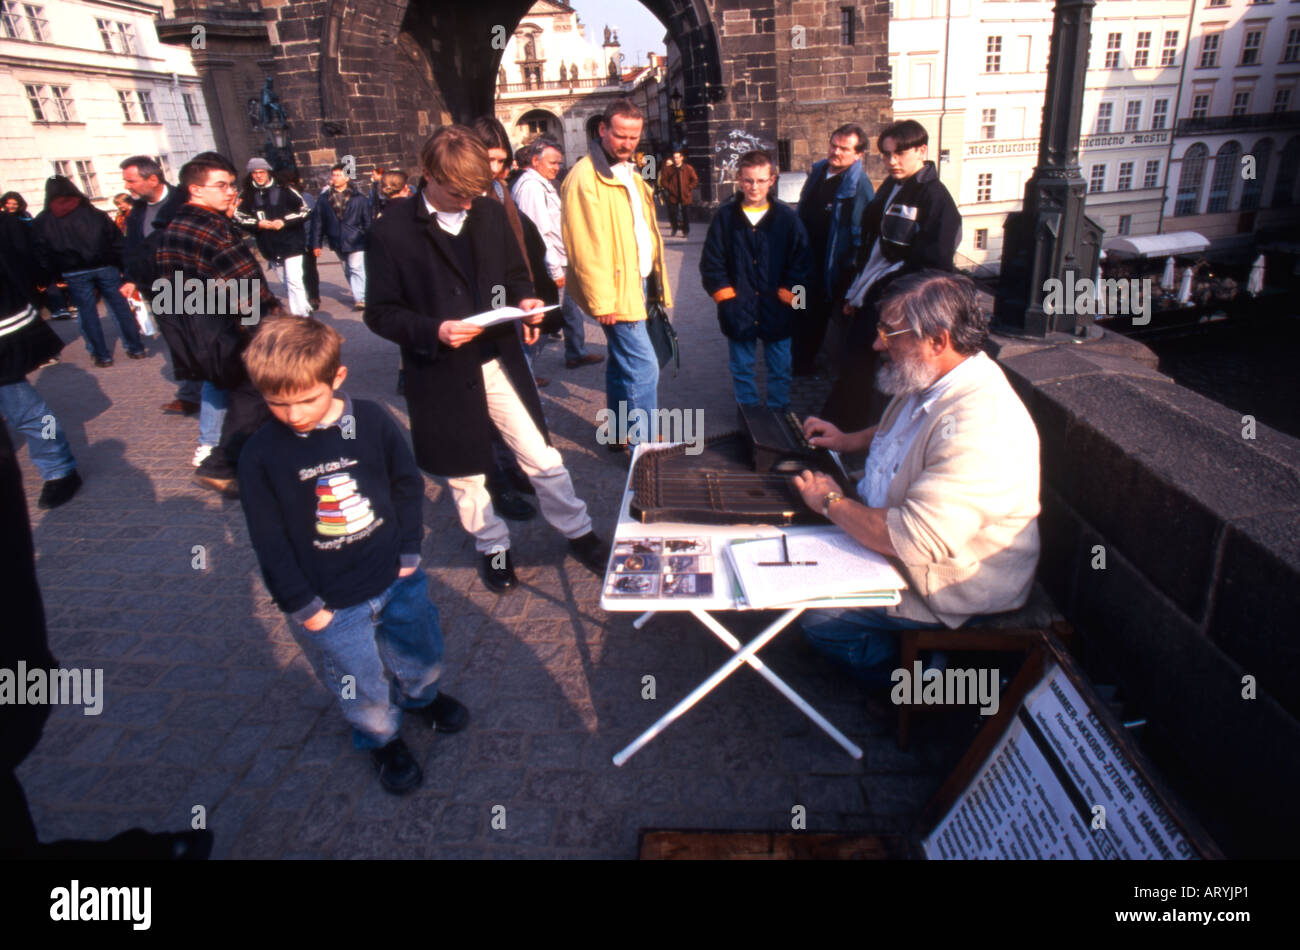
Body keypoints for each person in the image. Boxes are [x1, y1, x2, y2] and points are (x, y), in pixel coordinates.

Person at [364, 125, 609, 593]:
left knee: (540, 454)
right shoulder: (391, 229)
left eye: (478, 191)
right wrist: (433, 330)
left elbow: (517, 273)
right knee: (466, 472)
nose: (470, 202)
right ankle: (492, 548)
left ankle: (580, 533)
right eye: (460, 193)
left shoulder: (490, 212)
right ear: (431, 174)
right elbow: (380, 312)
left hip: (497, 357)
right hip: (439, 369)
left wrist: (528, 302)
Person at [237, 317, 466, 794]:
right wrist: (302, 605)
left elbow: (406, 485)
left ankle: (422, 697)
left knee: (420, 647)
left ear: (336, 379)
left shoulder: (372, 420)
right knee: (358, 680)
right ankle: (381, 737)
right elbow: (268, 537)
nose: (294, 414)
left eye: (306, 400)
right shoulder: (259, 453)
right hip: (330, 601)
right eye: (277, 403)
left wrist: (409, 549)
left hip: (396, 575)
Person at [790, 271, 1040, 686]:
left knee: (820, 620)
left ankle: (928, 686)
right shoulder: (938, 376)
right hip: (901, 547)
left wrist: (831, 502)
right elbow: (909, 434)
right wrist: (849, 440)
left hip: (948, 587)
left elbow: (911, 539)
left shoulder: (982, 424)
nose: (876, 344)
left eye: (890, 334)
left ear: (938, 340)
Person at [155, 153, 284, 498]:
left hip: (201, 330)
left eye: (231, 184)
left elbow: (173, 294)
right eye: (221, 185)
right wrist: (280, 329)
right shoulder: (213, 230)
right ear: (195, 190)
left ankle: (243, 464)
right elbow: (249, 293)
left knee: (246, 394)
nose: (230, 192)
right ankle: (223, 466)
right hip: (233, 330)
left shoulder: (175, 226)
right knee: (256, 394)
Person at [823, 120, 962, 433]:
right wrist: (857, 290)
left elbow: (933, 266)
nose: (892, 161)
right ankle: (840, 429)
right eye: (886, 155)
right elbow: (872, 245)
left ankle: (847, 431)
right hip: (872, 293)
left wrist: (881, 295)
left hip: (897, 303)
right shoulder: (892, 186)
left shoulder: (935, 198)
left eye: (899, 153)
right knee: (856, 364)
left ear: (922, 151)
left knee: (876, 370)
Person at [561, 98, 673, 452]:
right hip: (614, 288)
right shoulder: (585, 176)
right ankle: (646, 450)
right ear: (603, 130)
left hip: (636, 282)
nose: (627, 143)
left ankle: (618, 431)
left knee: (622, 362)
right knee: (644, 367)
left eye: (634, 137)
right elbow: (584, 245)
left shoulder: (628, 169)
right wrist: (601, 299)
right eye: (621, 135)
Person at [699, 150, 812, 412]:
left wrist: (793, 297)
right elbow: (711, 263)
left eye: (761, 180)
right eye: (749, 180)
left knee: (781, 368)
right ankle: (749, 416)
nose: (755, 187)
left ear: (772, 180)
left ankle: (778, 415)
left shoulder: (787, 218)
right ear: (739, 179)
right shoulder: (725, 217)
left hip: (778, 306)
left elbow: (803, 262)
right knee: (741, 368)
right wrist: (725, 297)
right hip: (739, 306)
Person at [0, 208, 81, 509]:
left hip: (3, 338)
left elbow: (22, 268)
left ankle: (60, 470)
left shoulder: (6, 224)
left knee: (28, 412)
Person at [120, 155, 204, 415]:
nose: (127, 187)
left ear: (153, 179)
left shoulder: (185, 202)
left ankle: (211, 393)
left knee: (203, 339)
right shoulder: (137, 212)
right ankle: (192, 394)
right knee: (178, 342)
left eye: (131, 181)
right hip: (156, 288)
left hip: (190, 284)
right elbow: (133, 249)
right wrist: (130, 278)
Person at [32, 176, 146, 367]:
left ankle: (102, 356)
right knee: (120, 308)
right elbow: (116, 240)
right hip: (105, 266)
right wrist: (122, 267)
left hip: (73, 271)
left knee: (87, 313)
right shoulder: (94, 213)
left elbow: (41, 251)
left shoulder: (43, 220)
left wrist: (52, 275)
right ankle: (135, 347)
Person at [512, 138, 603, 371]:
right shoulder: (531, 187)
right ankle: (524, 371)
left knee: (572, 309)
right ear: (535, 161)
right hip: (550, 264)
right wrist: (553, 269)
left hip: (562, 259)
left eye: (559, 163)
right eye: (552, 163)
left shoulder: (542, 183)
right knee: (546, 317)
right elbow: (540, 234)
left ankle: (576, 352)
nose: (557, 168)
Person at [794, 123, 874, 377]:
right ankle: (795, 360)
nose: (836, 152)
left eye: (844, 148)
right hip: (803, 260)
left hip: (830, 267)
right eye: (834, 145)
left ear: (858, 154)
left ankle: (806, 366)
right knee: (798, 309)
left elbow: (861, 234)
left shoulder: (859, 184)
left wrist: (852, 273)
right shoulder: (818, 171)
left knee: (817, 316)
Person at [234, 157, 312, 317]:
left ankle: (301, 315)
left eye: (261, 172)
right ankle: (304, 306)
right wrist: (258, 224)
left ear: (268, 172)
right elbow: (239, 216)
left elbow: (305, 210)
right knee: (286, 282)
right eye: (255, 173)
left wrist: (284, 222)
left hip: (291, 243)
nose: (259, 176)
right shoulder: (247, 194)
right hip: (269, 245)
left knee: (294, 280)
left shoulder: (284, 189)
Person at [310, 163, 371, 311]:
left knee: (356, 267)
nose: (335, 178)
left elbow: (367, 220)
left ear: (347, 178)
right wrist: (316, 244)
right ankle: (360, 292)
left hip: (356, 238)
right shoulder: (324, 199)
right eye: (334, 175)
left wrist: (370, 238)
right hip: (336, 239)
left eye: (338, 175)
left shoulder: (359, 198)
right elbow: (318, 222)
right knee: (348, 270)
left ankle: (361, 298)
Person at [658, 148, 698, 237]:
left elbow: (694, 180)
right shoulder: (669, 169)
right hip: (673, 195)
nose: (675, 159)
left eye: (677, 157)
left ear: (681, 158)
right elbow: (663, 180)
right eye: (674, 158)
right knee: (673, 214)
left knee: (686, 215)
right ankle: (674, 228)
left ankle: (686, 231)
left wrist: (688, 188)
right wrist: (670, 188)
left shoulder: (688, 168)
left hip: (685, 195)